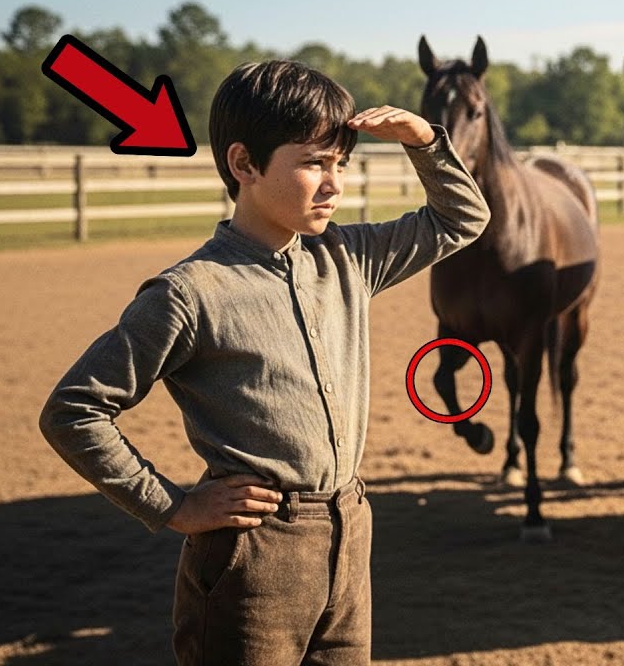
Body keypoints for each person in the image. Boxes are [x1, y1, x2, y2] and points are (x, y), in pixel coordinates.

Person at [38, 59, 490, 665]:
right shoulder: (190, 293)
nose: (334, 185)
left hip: (350, 535)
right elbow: (74, 410)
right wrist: (173, 505)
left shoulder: (348, 257)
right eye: (312, 163)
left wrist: (427, 142)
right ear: (243, 164)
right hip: (252, 561)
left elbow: (462, 218)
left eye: (340, 165)